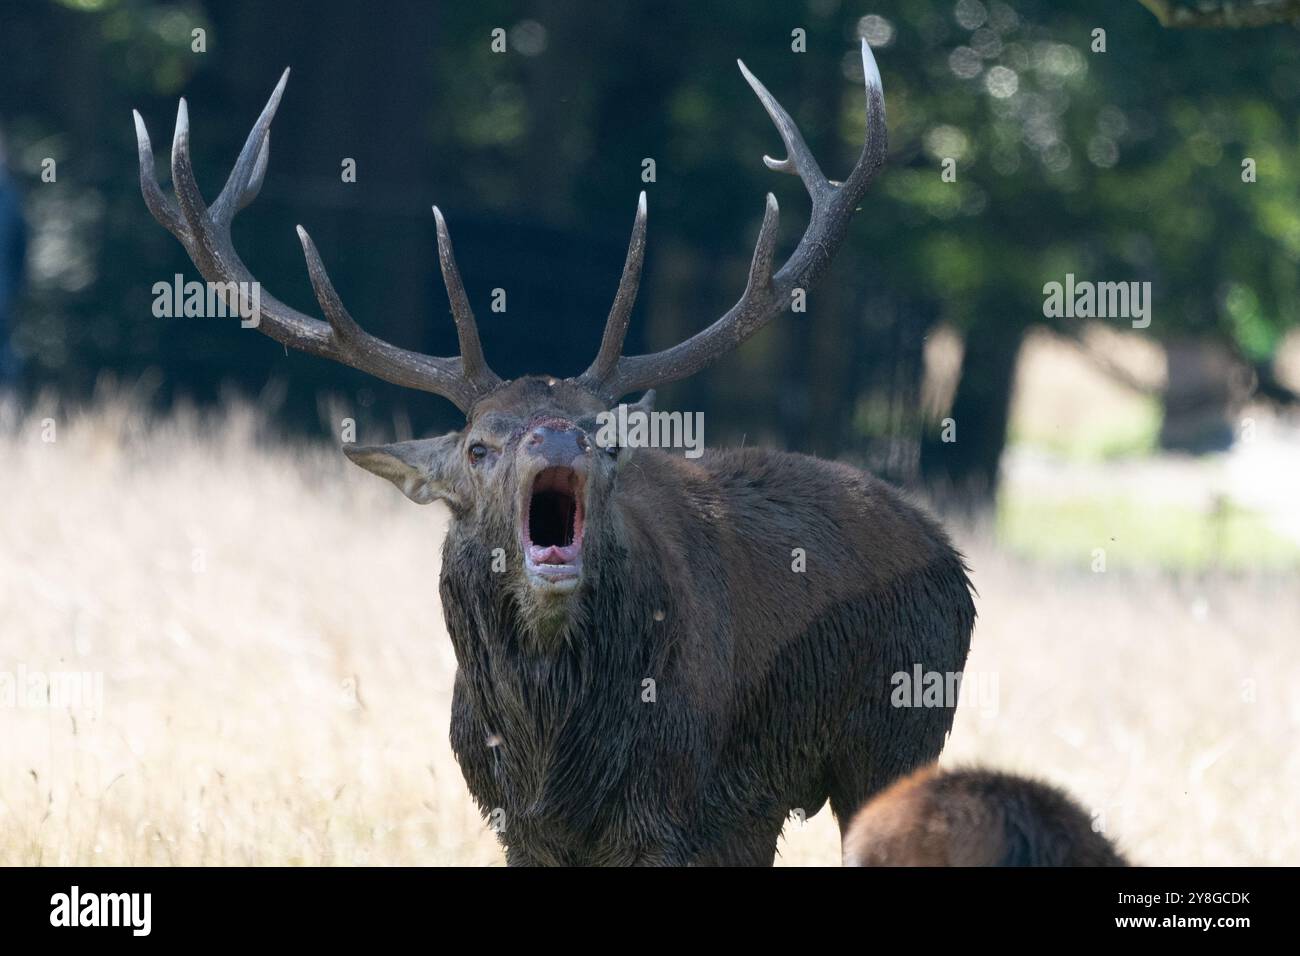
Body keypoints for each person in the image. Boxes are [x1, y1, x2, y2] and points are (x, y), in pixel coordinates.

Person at [0, 128, 29, 387]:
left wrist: (19, 287)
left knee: (6, 356)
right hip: (6, 290)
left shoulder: (11, 197)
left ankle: (8, 417)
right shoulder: (11, 196)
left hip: (4, 292)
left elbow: (21, 247)